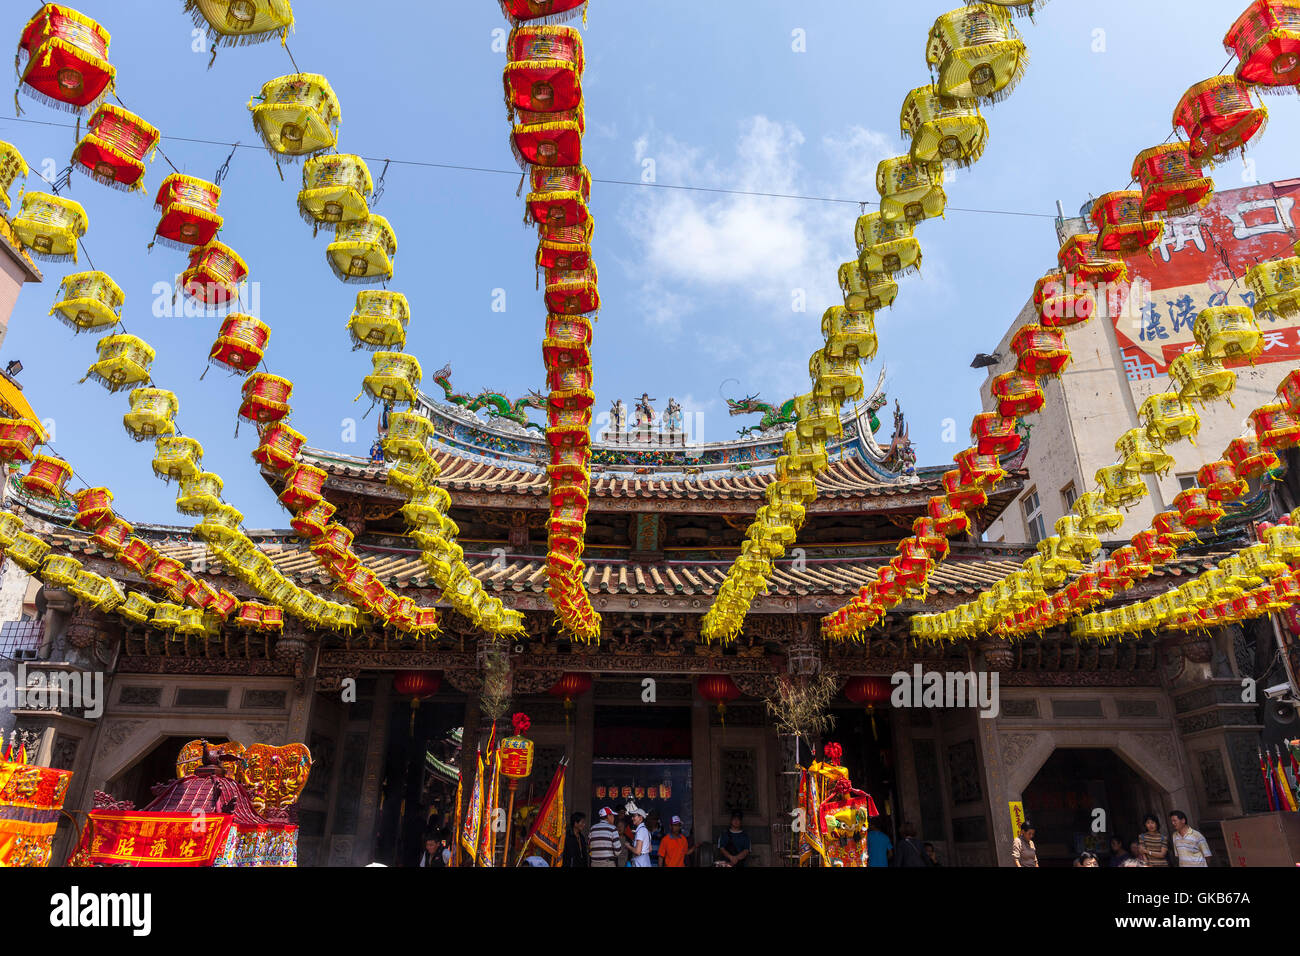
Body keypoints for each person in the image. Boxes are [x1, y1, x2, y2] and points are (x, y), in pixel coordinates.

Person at [626, 802, 652, 867]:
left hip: (640, 862)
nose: (632, 818)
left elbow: (637, 852)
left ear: (640, 818)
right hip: (645, 860)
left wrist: (628, 846)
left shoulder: (640, 831)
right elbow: (650, 849)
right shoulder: (646, 830)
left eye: (634, 816)